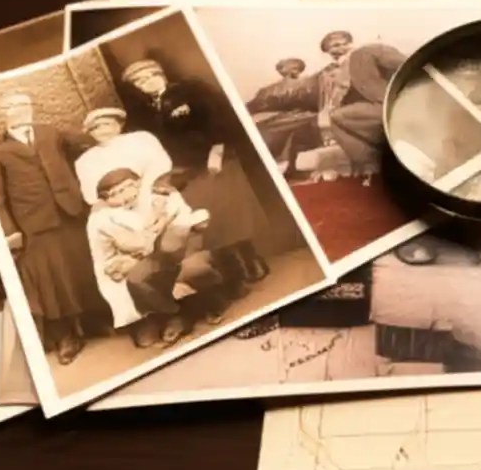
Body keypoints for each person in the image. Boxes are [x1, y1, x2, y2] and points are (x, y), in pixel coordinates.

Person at [117, 58, 266, 306]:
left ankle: (252, 260)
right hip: (184, 169)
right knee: (208, 220)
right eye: (140, 82)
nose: (147, 83)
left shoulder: (191, 91)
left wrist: (217, 149)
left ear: (161, 74)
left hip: (214, 159)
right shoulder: (142, 112)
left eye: (150, 76)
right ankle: (233, 271)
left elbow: (220, 116)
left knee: (232, 212)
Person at [0, 92, 107, 364]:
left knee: (81, 267)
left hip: (71, 212)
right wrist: (11, 232)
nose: (21, 109)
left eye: (25, 104)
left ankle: (94, 321)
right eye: (13, 105)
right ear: (3, 113)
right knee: (48, 280)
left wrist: (101, 129)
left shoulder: (51, 133)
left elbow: (86, 143)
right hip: (35, 225)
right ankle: (65, 336)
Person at [86, 168, 220, 345]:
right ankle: (176, 313)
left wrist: (163, 222)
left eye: (126, 188)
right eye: (113, 195)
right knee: (137, 278)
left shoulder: (161, 196)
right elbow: (107, 259)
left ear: (138, 184)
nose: (123, 197)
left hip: (182, 251)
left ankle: (207, 302)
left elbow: (184, 228)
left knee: (192, 269)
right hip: (150, 262)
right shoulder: (104, 220)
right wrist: (123, 263)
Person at [315, 30, 406, 183]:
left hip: (387, 103)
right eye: (332, 47)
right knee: (338, 118)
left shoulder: (366, 53)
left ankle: (373, 163)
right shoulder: (330, 72)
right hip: (366, 108)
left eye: (341, 44)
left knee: (338, 117)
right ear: (328, 52)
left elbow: (404, 64)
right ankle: (370, 163)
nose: (338, 49)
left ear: (350, 43)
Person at [244, 58, 323, 178]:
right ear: (282, 70)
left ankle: (291, 167)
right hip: (277, 120)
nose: (294, 70)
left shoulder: (309, 83)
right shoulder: (270, 89)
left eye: (297, 67)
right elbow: (253, 106)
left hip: (303, 116)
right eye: (291, 67)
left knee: (305, 127)